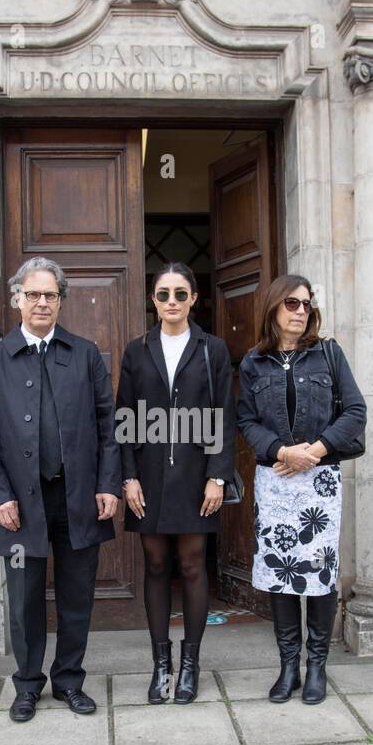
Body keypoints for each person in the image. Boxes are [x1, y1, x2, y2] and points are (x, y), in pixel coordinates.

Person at [0, 256, 121, 723]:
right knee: (25, 597)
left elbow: (107, 425)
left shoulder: (85, 354)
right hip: (19, 506)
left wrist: (107, 484)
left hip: (78, 501)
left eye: (49, 295)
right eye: (32, 294)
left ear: (60, 300)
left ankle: (70, 681)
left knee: (77, 595)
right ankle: (28, 685)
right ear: (17, 299)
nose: (41, 303)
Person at [236, 275, 366, 704]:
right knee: (282, 574)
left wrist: (316, 449)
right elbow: (246, 421)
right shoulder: (253, 363)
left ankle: (316, 666)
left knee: (320, 574)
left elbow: (355, 410)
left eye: (306, 304)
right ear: (273, 307)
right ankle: (288, 664)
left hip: (320, 480)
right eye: (291, 303)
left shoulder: (328, 354)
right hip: (275, 481)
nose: (299, 311)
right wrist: (281, 451)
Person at [116, 263, 236, 704]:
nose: (171, 302)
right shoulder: (137, 349)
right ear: (153, 300)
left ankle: (190, 663)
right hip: (147, 476)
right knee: (155, 566)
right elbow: (123, 416)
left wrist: (217, 476)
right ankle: (160, 664)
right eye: (163, 294)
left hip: (195, 475)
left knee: (191, 565)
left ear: (193, 299)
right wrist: (127, 476)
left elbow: (224, 415)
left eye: (180, 294)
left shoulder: (212, 349)